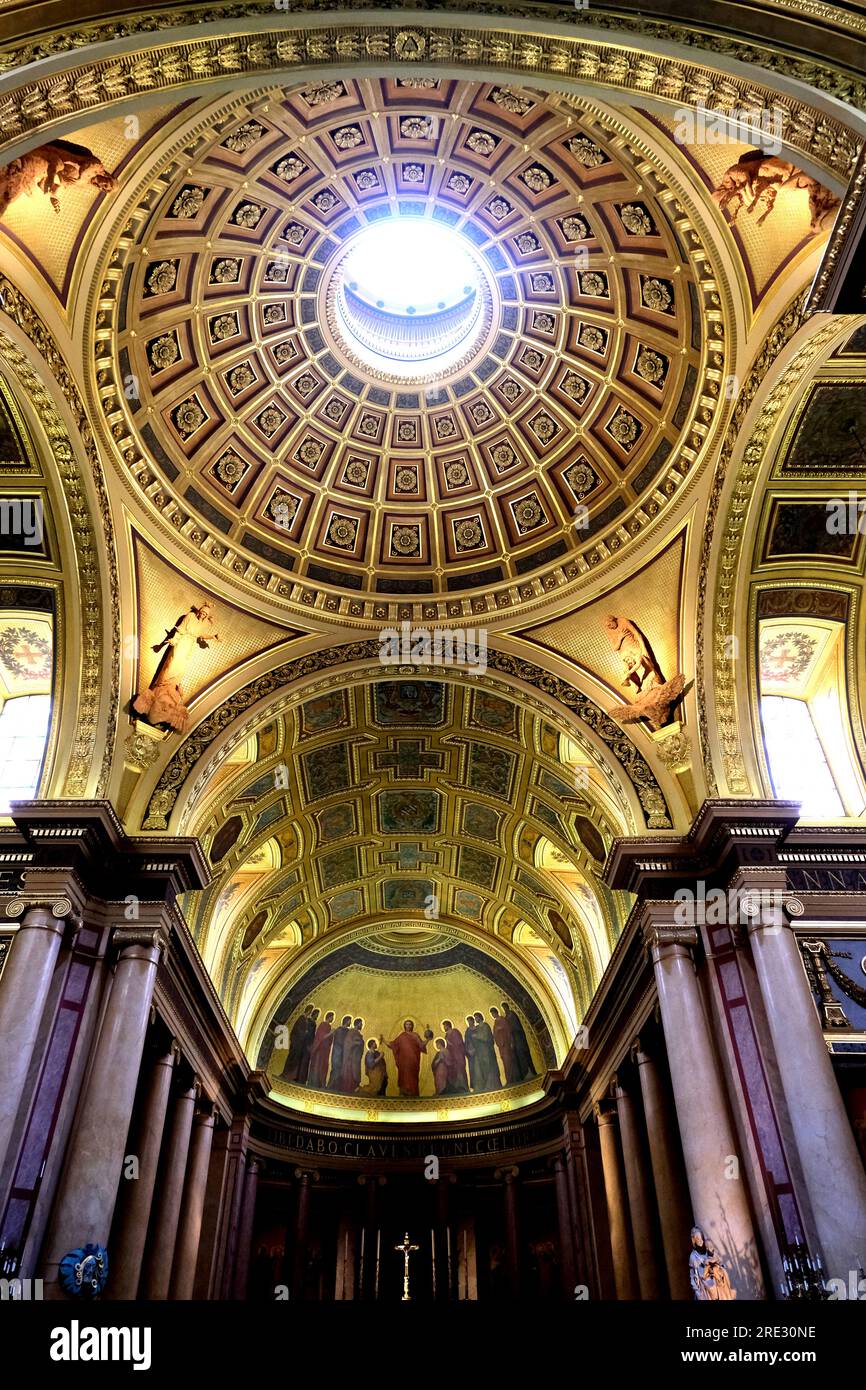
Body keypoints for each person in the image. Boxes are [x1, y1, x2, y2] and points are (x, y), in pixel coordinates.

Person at [133, 601, 221, 732]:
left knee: (180, 669)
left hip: (189, 647)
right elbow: (180, 629)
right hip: (182, 642)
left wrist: (213, 636)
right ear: (199, 611)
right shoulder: (190, 617)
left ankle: (171, 685)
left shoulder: (204, 624)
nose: (202, 615)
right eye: (202, 612)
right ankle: (164, 684)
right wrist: (173, 640)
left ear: (207, 616)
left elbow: (201, 634)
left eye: (205, 614)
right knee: (172, 665)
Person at [386, 1019, 433, 1097]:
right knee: (404, 1077)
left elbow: (421, 1045)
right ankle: (404, 1093)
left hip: (413, 1062)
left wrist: (428, 1039)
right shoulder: (402, 1036)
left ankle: (413, 1094)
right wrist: (384, 1041)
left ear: (412, 1026)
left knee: (412, 1078)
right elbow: (393, 1044)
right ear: (404, 1026)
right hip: (404, 1062)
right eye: (407, 1024)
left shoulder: (415, 1035)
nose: (408, 1026)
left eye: (410, 1024)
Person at [689, 1227, 736, 1300]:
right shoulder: (693, 1256)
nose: (700, 1241)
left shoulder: (709, 1250)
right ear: (694, 1241)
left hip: (717, 1282)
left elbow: (719, 1263)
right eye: (698, 1239)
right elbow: (694, 1276)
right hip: (705, 1287)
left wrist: (717, 1266)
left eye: (701, 1238)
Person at [279, 1004, 313, 1082]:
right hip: (296, 1043)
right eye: (310, 1011)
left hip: (300, 1044)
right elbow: (296, 1030)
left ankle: (292, 1076)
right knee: (292, 1058)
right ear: (307, 1011)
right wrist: (304, 1032)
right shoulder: (301, 1018)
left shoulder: (306, 1020)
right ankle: (286, 1074)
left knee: (297, 1060)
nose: (310, 1013)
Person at [502, 1001, 534, 1080]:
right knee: (517, 1056)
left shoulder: (512, 1015)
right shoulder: (505, 1017)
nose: (505, 1009)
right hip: (512, 1040)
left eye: (505, 1007)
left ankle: (529, 1071)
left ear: (507, 1007)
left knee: (522, 1052)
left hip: (518, 1038)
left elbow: (517, 1026)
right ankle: (523, 1074)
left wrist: (511, 1029)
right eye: (503, 1008)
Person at [471, 1011, 502, 1091]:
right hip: (480, 1052)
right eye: (475, 1018)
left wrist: (476, 1036)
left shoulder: (485, 1026)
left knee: (489, 1067)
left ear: (480, 1017)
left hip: (487, 1051)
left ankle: (492, 1086)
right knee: (482, 1068)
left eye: (476, 1017)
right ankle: (485, 1086)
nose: (475, 1019)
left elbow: (486, 1037)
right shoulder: (477, 1028)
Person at [306, 1010, 334, 1088]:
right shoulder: (323, 1025)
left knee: (322, 1067)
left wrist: (331, 1035)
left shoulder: (328, 1026)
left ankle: (320, 1084)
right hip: (319, 1050)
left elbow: (328, 1040)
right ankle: (314, 1084)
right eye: (332, 1017)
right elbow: (321, 1037)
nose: (333, 1018)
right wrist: (330, 1033)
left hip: (324, 1052)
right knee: (317, 1066)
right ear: (329, 1017)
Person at [491, 1006, 516, 1084]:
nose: (493, 1015)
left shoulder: (502, 1020)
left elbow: (508, 1030)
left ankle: (513, 1079)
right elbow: (494, 1034)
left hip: (506, 1043)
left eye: (493, 1013)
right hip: (501, 1046)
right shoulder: (496, 1022)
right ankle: (509, 1080)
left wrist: (501, 1029)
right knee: (505, 1062)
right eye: (492, 1014)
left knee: (509, 1061)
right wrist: (497, 1031)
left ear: (496, 1012)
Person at [442, 1019, 468, 1093]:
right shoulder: (446, 1035)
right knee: (453, 1072)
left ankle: (463, 1088)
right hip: (452, 1057)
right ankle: (456, 1088)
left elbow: (459, 1042)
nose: (444, 1028)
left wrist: (450, 1043)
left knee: (460, 1071)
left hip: (458, 1055)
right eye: (443, 1026)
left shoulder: (455, 1032)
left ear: (448, 1025)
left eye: (445, 1026)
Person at [340, 1017, 365, 1093]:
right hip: (350, 1059)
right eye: (361, 1024)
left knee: (355, 1073)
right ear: (357, 1024)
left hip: (356, 1059)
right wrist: (356, 1043)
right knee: (350, 1074)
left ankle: (354, 1088)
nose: (362, 1025)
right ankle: (348, 1089)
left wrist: (361, 1043)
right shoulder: (351, 1032)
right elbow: (347, 1043)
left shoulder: (357, 1033)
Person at [328, 1015, 352, 1090]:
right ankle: (331, 1087)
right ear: (346, 1021)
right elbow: (338, 1042)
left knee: (340, 1070)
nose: (350, 1023)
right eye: (349, 1021)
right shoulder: (340, 1030)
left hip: (341, 1054)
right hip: (337, 1053)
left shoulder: (347, 1031)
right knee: (336, 1069)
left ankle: (336, 1087)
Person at [297, 1007, 318, 1085]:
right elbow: (307, 1033)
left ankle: (302, 1079)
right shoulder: (308, 1021)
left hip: (309, 1044)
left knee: (306, 1062)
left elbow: (312, 1034)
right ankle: (299, 1078)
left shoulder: (313, 1023)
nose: (317, 1016)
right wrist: (308, 1044)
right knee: (303, 1061)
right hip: (306, 1044)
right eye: (317, 1014)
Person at [464, 1014, 478, 1090]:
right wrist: (468, 1050)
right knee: (472, 1069)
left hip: (478, 1053)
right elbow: (466, 1042)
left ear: (473, 1021)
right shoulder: (467, 1031)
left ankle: (480, 1084)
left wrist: (476, 1049)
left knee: (478, 1068)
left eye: (470, 1021)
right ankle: (474, 1085)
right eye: (468, 1021)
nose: (469, 1022)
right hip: (470, 1054)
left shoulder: (477, 1029)